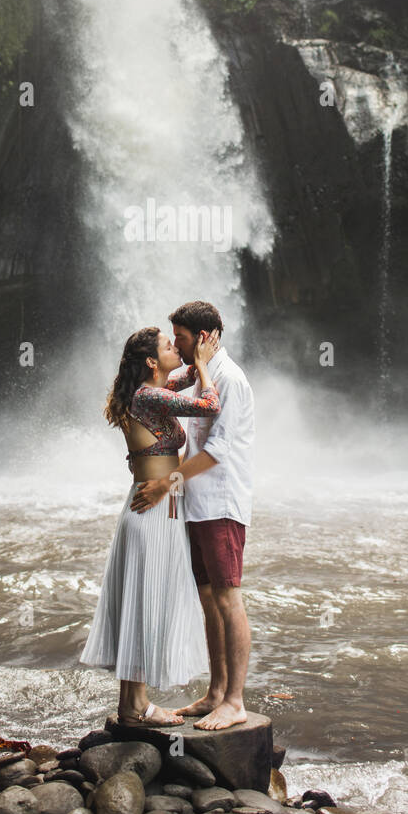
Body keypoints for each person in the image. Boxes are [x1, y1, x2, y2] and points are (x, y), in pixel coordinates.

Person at [79, 324, 222, 726]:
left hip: (151, 506)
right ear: (150, 361)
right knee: (146, 603)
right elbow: (209, 404)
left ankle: (130, 706)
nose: (175, 347)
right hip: (153, 511)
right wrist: (206, 371)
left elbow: (183, 376)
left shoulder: (145, 391)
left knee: (142, 602)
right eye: (166, 345)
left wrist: (198, 360)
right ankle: (139, 705)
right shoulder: (148, 396)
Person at [133, 301, 253, 731]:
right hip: (197, 504)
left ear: (201, 337)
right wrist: (178, 491)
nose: (177, 347)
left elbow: (217, 451)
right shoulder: (205, 375)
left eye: (180, 338)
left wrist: (168, 483)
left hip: (221, 504)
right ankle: (216, 693)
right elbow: (191, 439)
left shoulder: (230, 380)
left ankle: (235, 701)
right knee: (208, 599)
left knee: (227, 597)